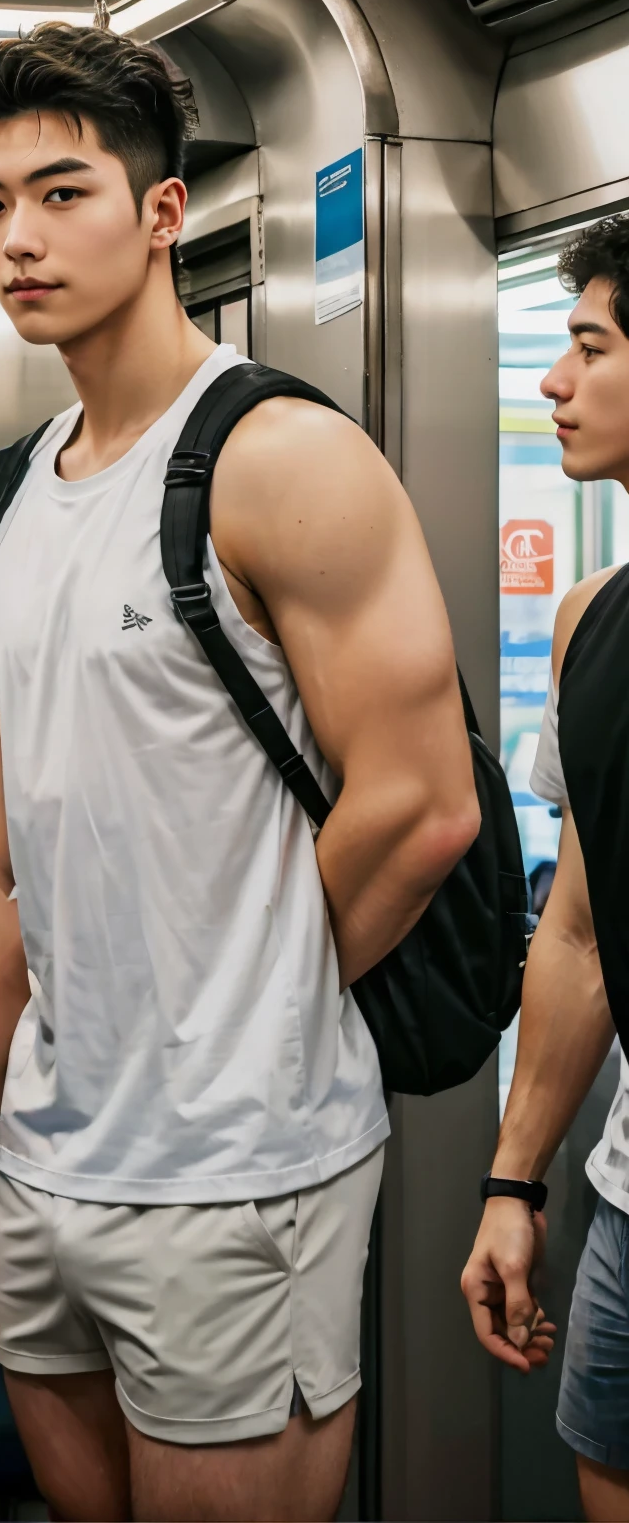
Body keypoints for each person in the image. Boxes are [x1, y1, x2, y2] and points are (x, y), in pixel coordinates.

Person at [0, 23, 479, 1523]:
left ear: (162, 216)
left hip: (239, 1170)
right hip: (47, 1158)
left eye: (63, 192)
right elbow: (8, 865)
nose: (17, 237)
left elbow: (421, 810)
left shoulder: (279, 458)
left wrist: (227, 1013)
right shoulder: (4, 499)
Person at [461, 214, 629, 1523]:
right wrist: (515, 1180)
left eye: (589, 346)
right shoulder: (591, 624)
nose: (553, 382)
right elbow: (575, 936)